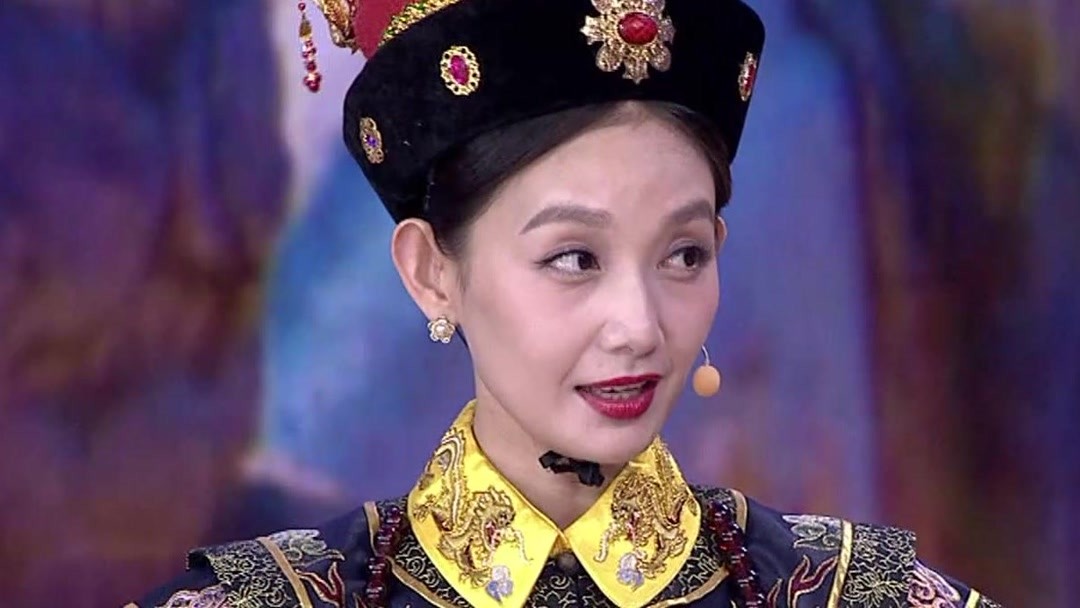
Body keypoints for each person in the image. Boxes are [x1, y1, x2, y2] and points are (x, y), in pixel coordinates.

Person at [131, 0, 1001, 606]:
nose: (640, 326)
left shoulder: (853, 595)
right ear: (432, 271)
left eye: (683, 255)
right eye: (574, 258)